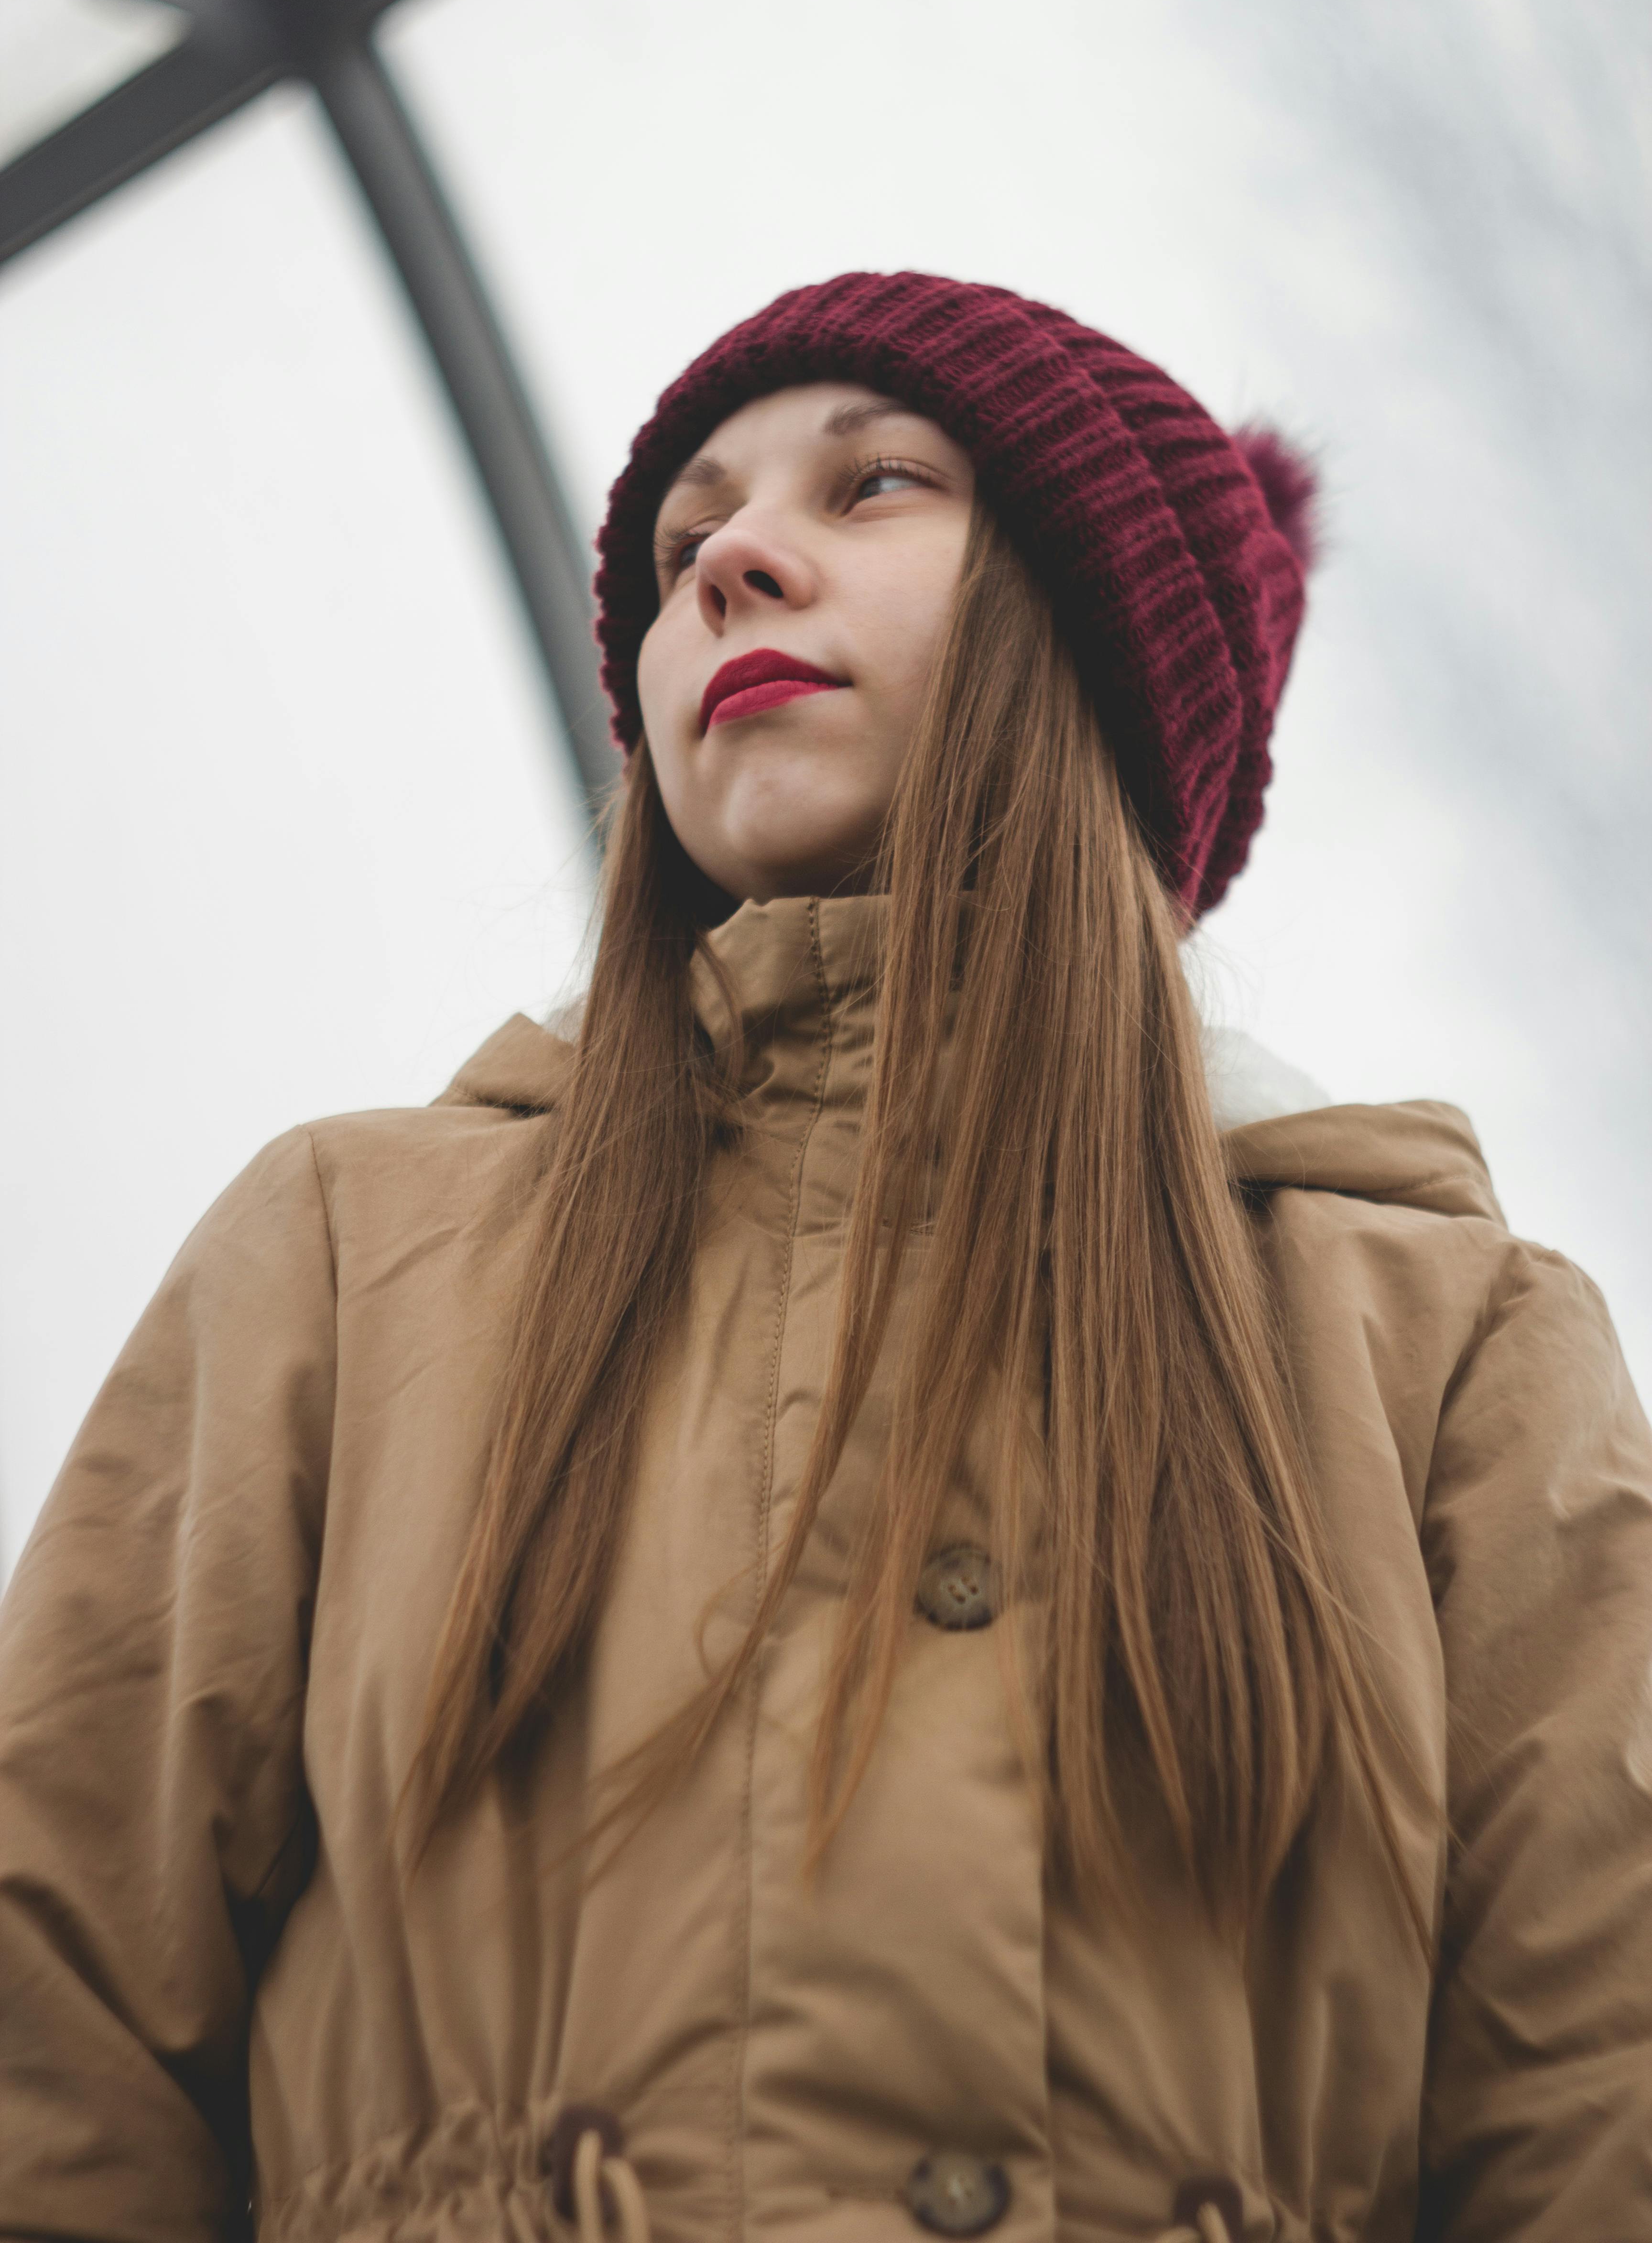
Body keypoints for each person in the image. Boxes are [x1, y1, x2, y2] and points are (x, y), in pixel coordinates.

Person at [0, 271, 1648, 2243]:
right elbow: (50, 2013)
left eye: (873, 488)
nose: (730, 565)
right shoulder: (350, 1255)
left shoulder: (1453, 1347)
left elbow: (1600, 2099)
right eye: (684, 547)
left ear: (1096, 645)